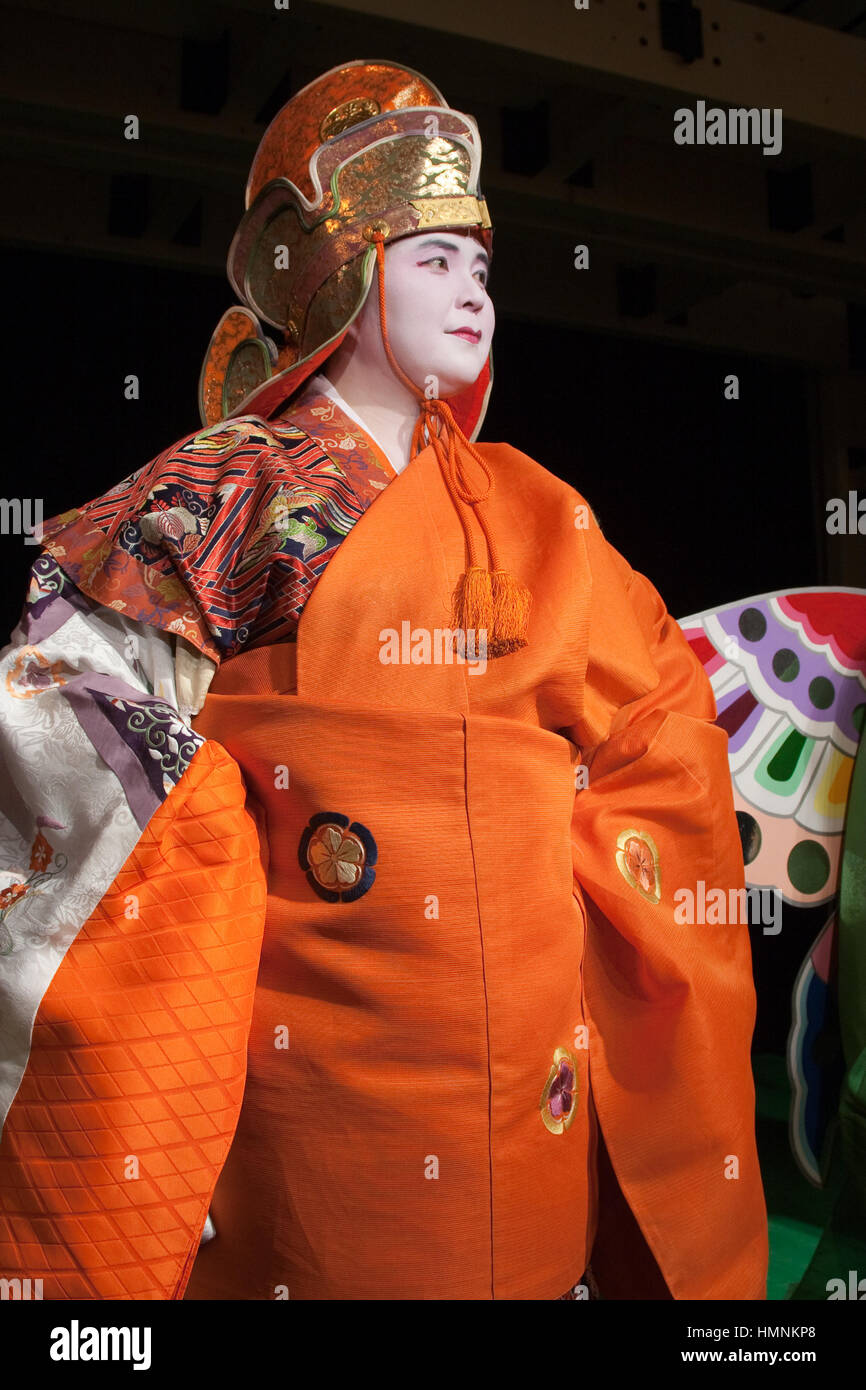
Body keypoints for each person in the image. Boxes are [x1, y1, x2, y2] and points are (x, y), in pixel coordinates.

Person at [0, 59, 768, 1301]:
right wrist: (224, 832)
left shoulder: (539, 509)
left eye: (480, 266)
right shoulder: (220, 490)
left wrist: (555, 839)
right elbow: (67, 696)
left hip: (528, 1071)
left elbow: (660, 720)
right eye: (431, 260)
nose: (472, 293)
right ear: (345, 277)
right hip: (316, 1065)